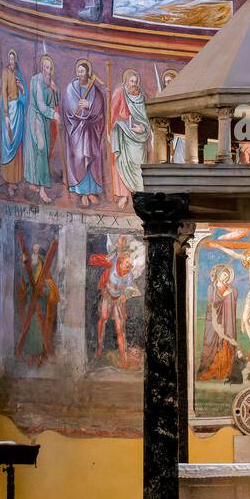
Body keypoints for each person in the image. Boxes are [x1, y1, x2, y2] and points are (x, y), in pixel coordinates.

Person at [88, 237, 140, 369]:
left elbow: (132, 289)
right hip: (107, 296)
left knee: (119, 328)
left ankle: (124, 358)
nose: (129, 266)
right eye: (127, 263)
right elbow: (118, 254)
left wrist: (125, 295)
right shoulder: (113, 264)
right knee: (103, 318)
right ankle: (99, 348)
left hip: (117, 301)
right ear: (121, 262)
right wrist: (120, 246)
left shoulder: (129, 275)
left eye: (130, 264)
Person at [62, 59, 106, 207]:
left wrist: (89, 105)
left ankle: (91, 191)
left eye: (83, 71)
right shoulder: (71, 88)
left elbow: (99, 108)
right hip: (77, 130)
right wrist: (80, 110)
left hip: (91, 130)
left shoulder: (95, 90)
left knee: (93, 158)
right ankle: (81, 192)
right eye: (79, 71)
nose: (81, 74)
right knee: (79, 156)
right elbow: (69, 108)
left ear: (88, 72)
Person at [110, 68, 150, 209]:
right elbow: (113, 115)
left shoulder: (142, 97)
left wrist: (143, 128)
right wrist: (118, 127)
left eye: (135, 81)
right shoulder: (120, 94)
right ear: (126, 81)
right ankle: (124, 194)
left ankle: (138, 195)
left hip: (139, 137)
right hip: (124, 137)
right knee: (123, 164)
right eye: (131, 81)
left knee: (139, 167)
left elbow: (148, 117)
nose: (133, 84)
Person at [24, 54, 61, 203]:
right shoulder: (36, 80)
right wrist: (53, 114)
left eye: (50, 68)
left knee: (41, 151)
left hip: (44, 120)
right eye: (46, 67)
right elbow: (40, 104)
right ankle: (42, 189)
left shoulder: (50, 82)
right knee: (40, 148)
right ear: (42, 67)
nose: (48, 70)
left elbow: (55, 101)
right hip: (36, 118)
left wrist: (55, 90)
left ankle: (34, 182)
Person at [198, 264, 241, 382]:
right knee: (212, 342)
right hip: (214, 319)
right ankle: (210, 370)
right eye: (223, 273)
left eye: (227, 274)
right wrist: (223, 296)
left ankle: (224, 371)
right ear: (218, 274)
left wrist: (230, 293)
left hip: (227, 320)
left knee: (226, 342)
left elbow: (234, 295)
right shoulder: (211, 287)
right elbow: (212, 302)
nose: (225, 276)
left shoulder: (230, 288)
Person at [0, 49, 27, 197]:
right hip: (9, 110)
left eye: (13, 59)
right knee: (8, 143)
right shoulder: (5, 72)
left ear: (15, 60)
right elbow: (3, 91)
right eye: (9, 59)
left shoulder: (18, 74)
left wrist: (22, 88)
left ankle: (15, 180)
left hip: (18, 110)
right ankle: (9, 180)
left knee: (17, 145)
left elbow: (25, 95)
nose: (11, 61)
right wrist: (6, 115)